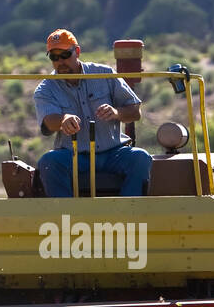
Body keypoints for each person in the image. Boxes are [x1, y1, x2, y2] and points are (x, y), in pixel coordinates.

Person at [33, 29, 152, 197]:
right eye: (54, 57)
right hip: (74, 156)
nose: (60, 61)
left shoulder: (104, 74)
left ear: (78, 52)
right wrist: (63, 120)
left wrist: (116, 112)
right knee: (48, 162)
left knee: (140, 157)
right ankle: (65, 218)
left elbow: (135, 111)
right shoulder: (45, 89)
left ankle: (129, 214)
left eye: (65, 55)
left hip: (114, 153)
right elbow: (48, 122)